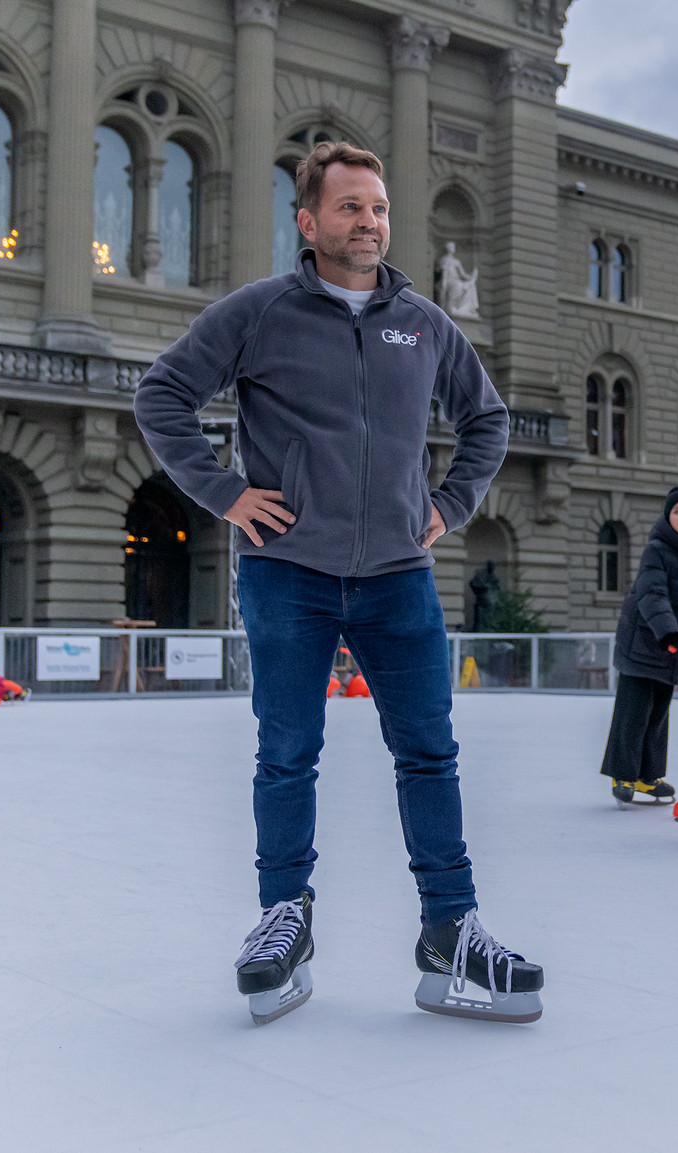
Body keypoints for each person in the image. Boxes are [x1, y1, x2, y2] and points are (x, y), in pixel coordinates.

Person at [133, 140, 542, 1025]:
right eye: (351, 206)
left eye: (380, 208)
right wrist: (225, 492)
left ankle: (450, 930)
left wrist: (449, 503)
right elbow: (162, 394)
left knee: (428, 751)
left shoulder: (423, 323)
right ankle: (284, 918)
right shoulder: (259, 313)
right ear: (308, 220)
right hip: (288, 574)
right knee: (287, 753)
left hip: (398, 576)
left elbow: (486, 420)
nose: (370, 222)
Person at [600, 486, 678, 805]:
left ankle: (647, 776)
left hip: (672, 648)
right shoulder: (657, 550)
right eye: (676, 512)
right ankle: (623, 775)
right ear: (668, 518)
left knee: (658, 712)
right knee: (633, 711)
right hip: (644, 642)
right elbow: (651, 594)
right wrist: (670, 635)